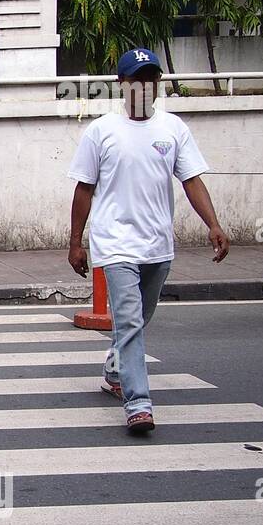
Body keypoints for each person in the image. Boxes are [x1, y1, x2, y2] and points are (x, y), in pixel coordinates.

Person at [66, 47, 230, 434]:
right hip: (116, 243)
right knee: (130, 320)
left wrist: (214, 224)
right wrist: (76, 242)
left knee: (138, 320)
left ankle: (113, 367)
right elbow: (83, 189)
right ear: (122, 85)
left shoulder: (173, 129)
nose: (144, 86)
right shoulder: (102, 131)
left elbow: (191, 180)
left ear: (158, 85)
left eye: (151, 79)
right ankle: (137, 402)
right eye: (136, 80)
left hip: (158, 245)